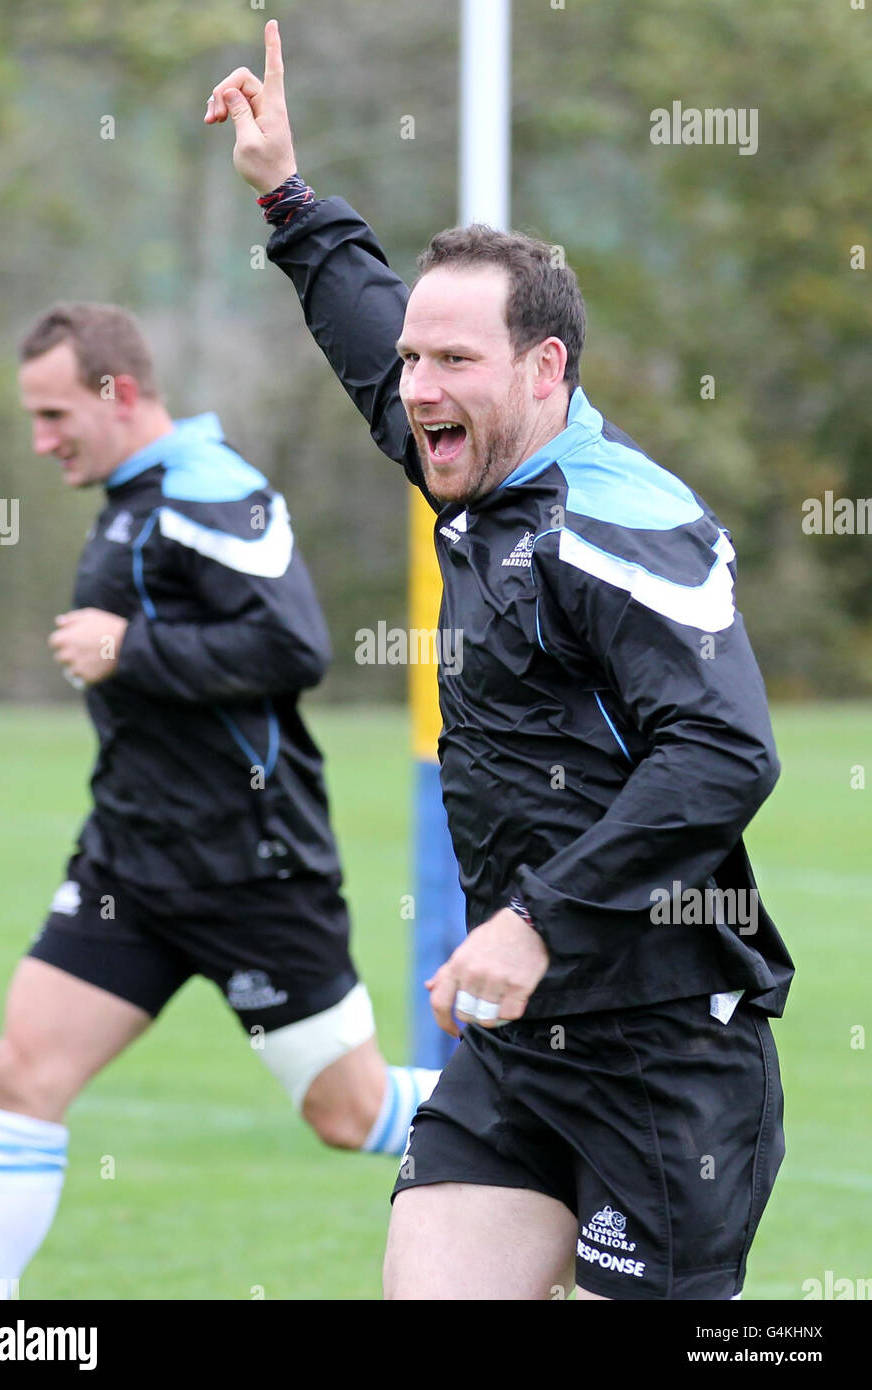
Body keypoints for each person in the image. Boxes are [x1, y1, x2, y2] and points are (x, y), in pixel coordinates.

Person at [204, 20, 795, 1302]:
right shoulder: (474, 461)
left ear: (544, 367)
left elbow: (725, 754)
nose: (416, 386)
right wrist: (287, 193)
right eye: (417, 358)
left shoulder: (619, 521)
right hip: (523, 1042)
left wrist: (535, 920)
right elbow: (370, 337)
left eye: (451, 359)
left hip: (664, 1054)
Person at [0, 301, 438, 1301]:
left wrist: (128, 647)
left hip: (247, 866)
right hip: (129, 860)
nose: (41, 442)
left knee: (351, 1115)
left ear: (115, 393)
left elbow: (294, 648)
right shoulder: (128, 492)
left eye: (52, 417)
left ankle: (570, 1106)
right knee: (23, 1073)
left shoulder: (209, 490)